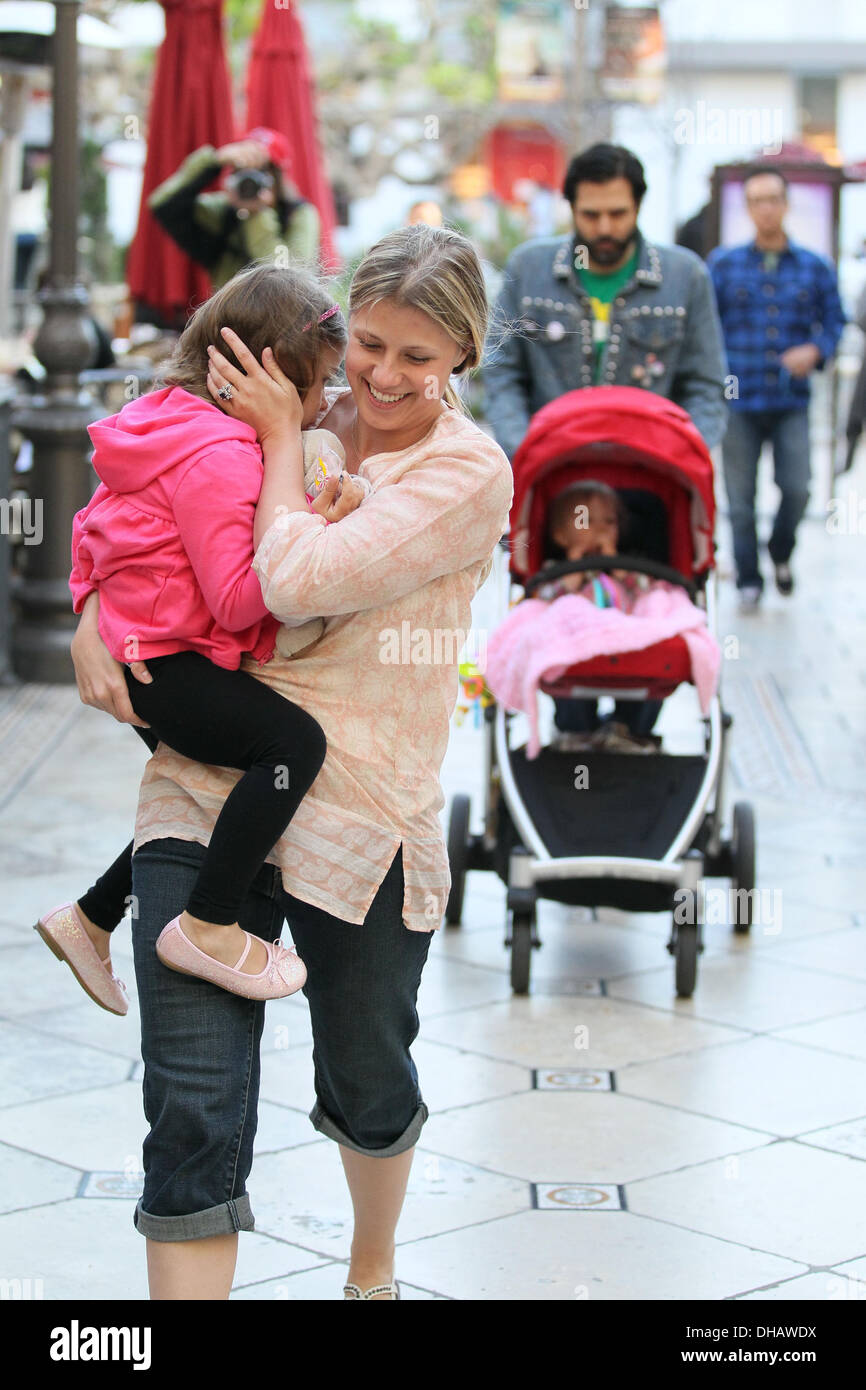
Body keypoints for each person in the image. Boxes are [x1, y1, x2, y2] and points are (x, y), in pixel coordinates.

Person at [67, 224, 513, 1301]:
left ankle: (370, 1270)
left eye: (418, 355)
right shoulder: (293, 403)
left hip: (361, 808)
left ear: (462, 355)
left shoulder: (465, 473)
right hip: (209, 783)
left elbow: (296, 580)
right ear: (338, 324)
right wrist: (94, 615)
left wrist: (274, 442)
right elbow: (137, 491)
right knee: (190, 1101)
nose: (384, 376)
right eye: (367, 344)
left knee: (365, 1073)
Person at [36, 265, 361, 1006]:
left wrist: (93, 611)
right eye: (316, 386)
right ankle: (206, 926)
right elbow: (245, 599)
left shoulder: (162, 420)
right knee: (291, 748)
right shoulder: (221, 458)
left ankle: (91, 917)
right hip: (166, 664)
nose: (323, 406)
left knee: (217, 788)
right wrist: (313, 528)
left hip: (141, 648)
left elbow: (89, 528)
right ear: (262, 381)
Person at [484, 142, 727, 738]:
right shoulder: (529, 270)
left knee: (647, 606)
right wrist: (526, 452)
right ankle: (572, 731)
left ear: (638, 207)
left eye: (618, 214)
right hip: (557, 482)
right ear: (570, 207)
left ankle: (633, 730)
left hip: (649, 487)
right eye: (591, 215)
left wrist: (683, 454)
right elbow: (503, 371)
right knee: (558, 602)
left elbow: (706, 384)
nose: (605, 228)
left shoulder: (685, 277)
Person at [708, 166, 845, 608]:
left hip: (791, 399)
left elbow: (836, 323)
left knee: (798, 486)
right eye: (756, 200)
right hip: (738, 399)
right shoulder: (723, 266)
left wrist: (815, 350)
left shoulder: (815, 266)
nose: (765, 208)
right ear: (748, 208)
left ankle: (781, 552)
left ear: (785, 204)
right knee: (740, 499)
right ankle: (748, 576)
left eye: (773, 199)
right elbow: (706, 329)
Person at [148, 127, 321, 289]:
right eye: (242, 171)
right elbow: (164, 204)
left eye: (262, 172)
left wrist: (257, 215)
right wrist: (212, 162)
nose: (250, 182)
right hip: (227, 316)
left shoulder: (299, 215)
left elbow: (291, 280)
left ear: (278, 178)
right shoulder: (224, 210)